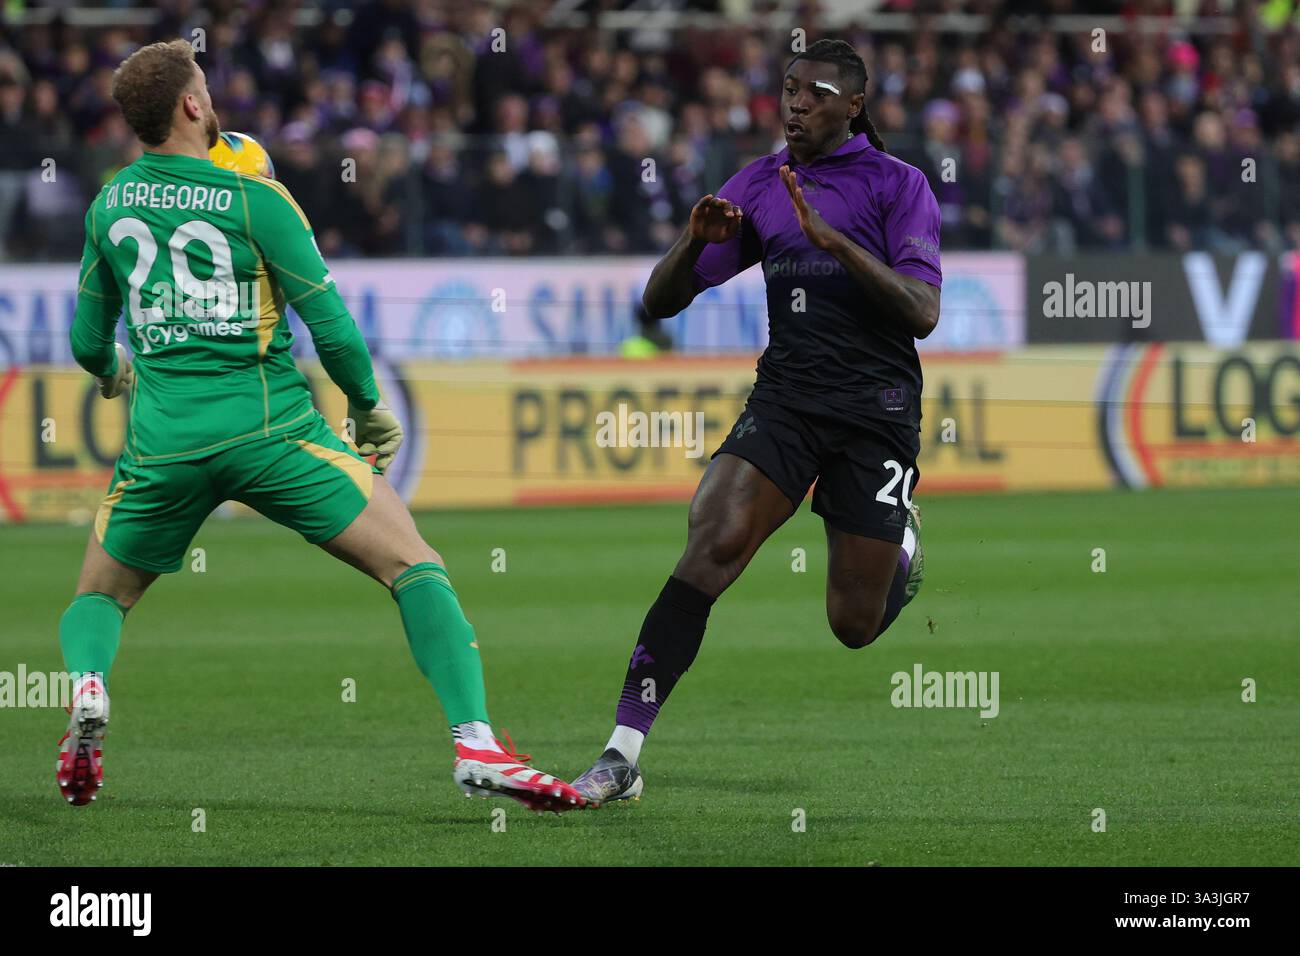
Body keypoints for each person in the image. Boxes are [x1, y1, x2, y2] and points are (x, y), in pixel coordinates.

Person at [58, 40, 584, 813]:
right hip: (272, 434)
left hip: (163, 443)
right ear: (191, 106)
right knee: (413, 566)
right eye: (205, 85)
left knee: (100, 597)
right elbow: (330, 325)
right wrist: (369, 404)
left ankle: (92, 686)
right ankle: (475, 742)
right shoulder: (256, 200)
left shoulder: (109, 206)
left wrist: (113, 372)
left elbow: (83, 341)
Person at [572, 39, 940, 804]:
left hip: (877, 414)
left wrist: (834, 242)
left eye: (814, 93)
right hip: (788, 401)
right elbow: (659, 302)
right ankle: (621, 753)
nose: (795, 104)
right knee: (712, 543)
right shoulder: (761, 182)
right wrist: (690, 244)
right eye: (789, 89)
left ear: (854, 105)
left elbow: (923, 312)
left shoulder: (897, 186)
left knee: (853, 623)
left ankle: (900, 543)